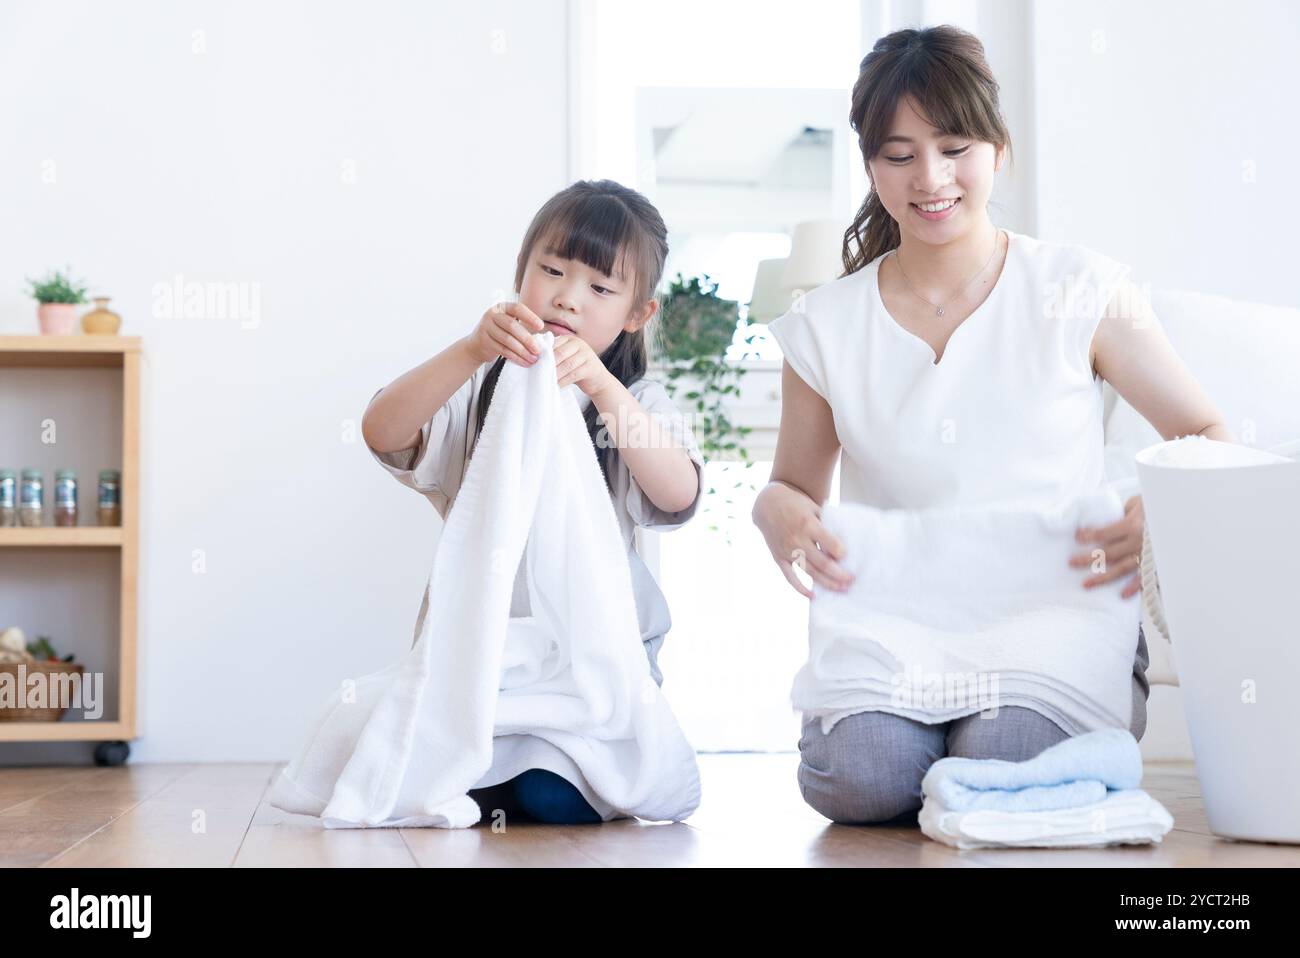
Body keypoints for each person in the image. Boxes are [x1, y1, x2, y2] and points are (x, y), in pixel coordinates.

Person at [753, 25, 1234, 825]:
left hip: (1053, 609)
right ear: (870, 165)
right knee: (863, 780)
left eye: (954, 146)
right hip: (894, 615)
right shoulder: (825, 325)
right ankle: (939, 760)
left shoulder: (1080, 288)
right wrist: (779, 514)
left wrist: (1159, 507)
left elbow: (1207, 430)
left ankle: (986, 757)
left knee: (1001, 757)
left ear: (998, 150)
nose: (930, 177)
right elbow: (791, 486)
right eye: (899, 154)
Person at [362, 180, 704, 824]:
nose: (567, 298)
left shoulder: (632, 398)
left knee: (551, 798)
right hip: (483, 655)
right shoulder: (481, 385)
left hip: (592, 663)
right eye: (551, 271)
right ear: (520, 272)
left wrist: (603, 388)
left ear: (637, 314)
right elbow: (382, 430)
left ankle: (549, 770)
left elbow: (677, 491)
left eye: (600, 289)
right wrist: (470, 350)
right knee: (446, 786)